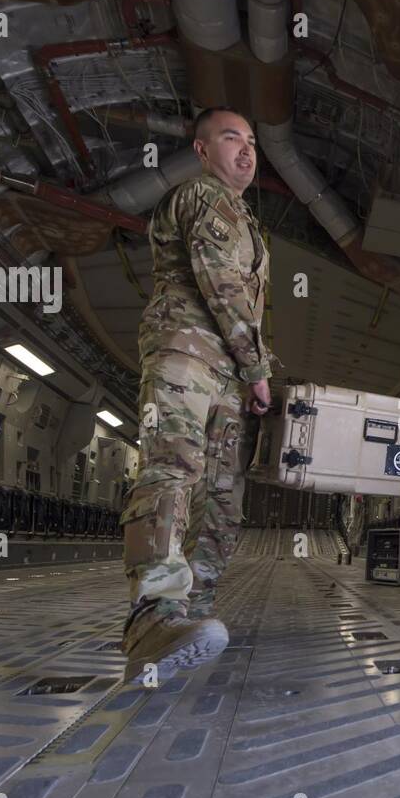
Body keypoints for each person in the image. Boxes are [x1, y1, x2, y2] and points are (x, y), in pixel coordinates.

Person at [119, 107, 273, 683]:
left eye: (253, 140)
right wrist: (258, 368)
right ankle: (153, 617)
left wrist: (248, 373)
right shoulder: (204, 197)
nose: (248, 150)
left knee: (223, 499)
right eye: (233, 137)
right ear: (204, 151)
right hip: (187, 351)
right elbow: (221, 284)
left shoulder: (245, 217)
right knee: (174, 471)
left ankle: (193, 618)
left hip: (227, 372)